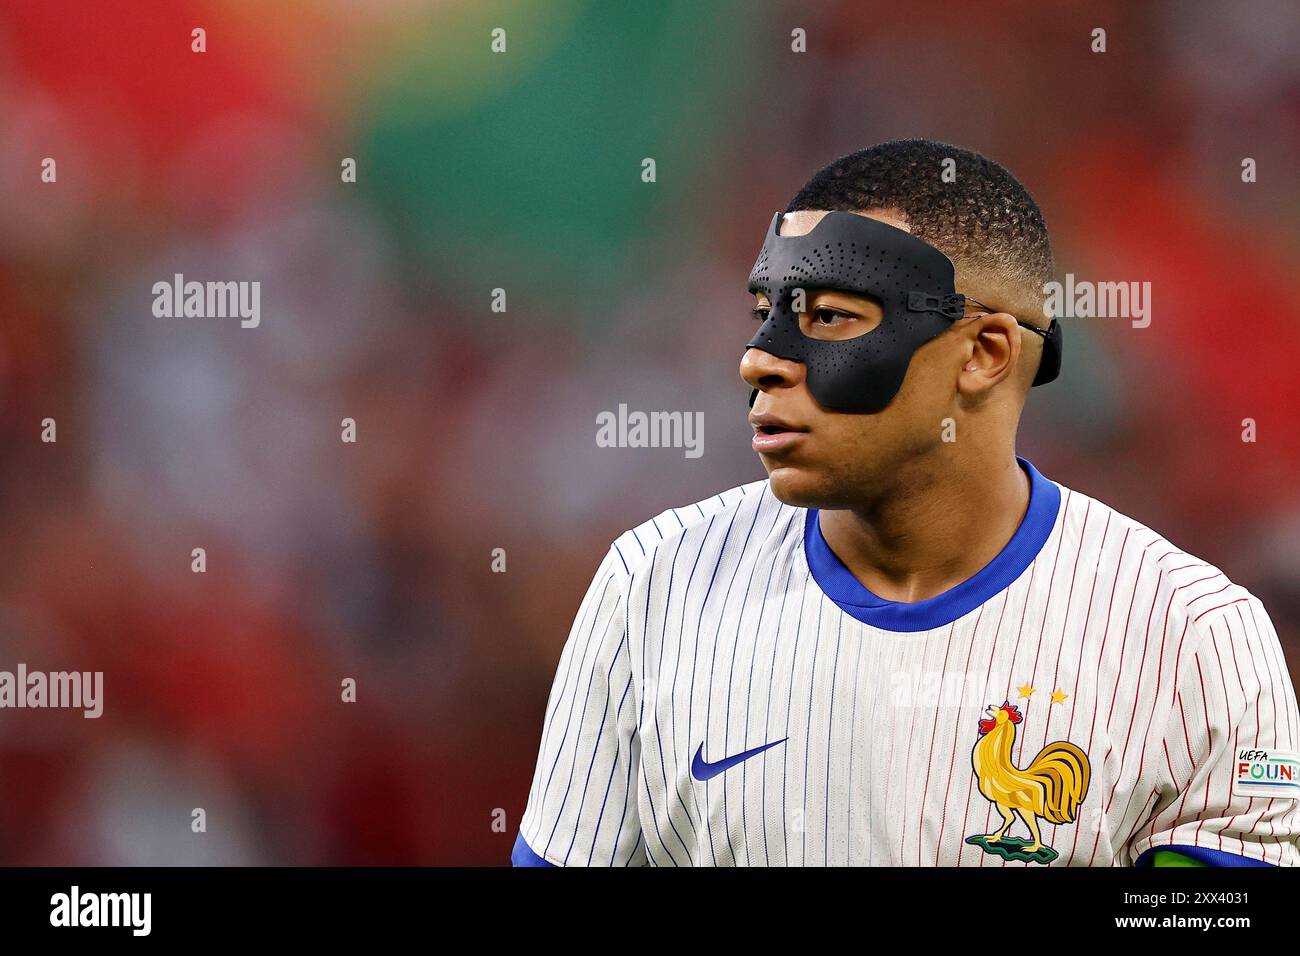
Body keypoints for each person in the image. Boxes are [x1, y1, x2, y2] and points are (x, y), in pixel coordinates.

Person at [513, 139, 1299, 866]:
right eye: (768, 314)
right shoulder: (649, 588)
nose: (760, 359)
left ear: (985, 354)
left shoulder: (1197, 639)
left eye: (830, 316)